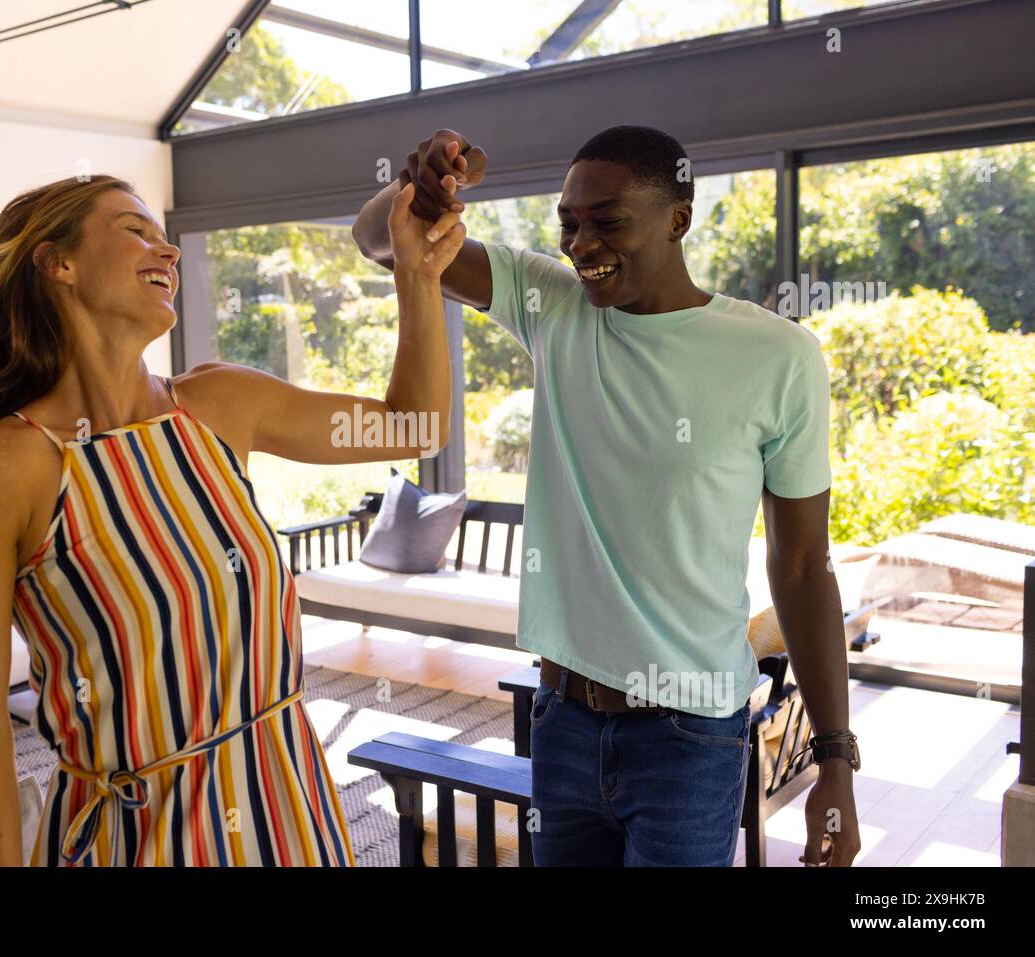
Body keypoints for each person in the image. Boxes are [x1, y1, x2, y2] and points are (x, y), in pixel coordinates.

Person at [0, 173, 464, 865]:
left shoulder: (218, 404)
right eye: (135, 230)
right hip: (139, 838)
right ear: (57, 262)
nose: (168, 252)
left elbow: (412, 426)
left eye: (166, 236)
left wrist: (419, 273)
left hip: (291, 815)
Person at [351, 126, 861, 867]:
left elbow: (804, 567)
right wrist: (420, 192)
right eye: (569, 222)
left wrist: (835, 757)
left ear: (677, 219)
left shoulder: (778, 357)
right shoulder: (552, 305)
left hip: (691, 738)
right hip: (561, 722)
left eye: (608, 220)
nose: (581, 242)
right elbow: (379, 242)